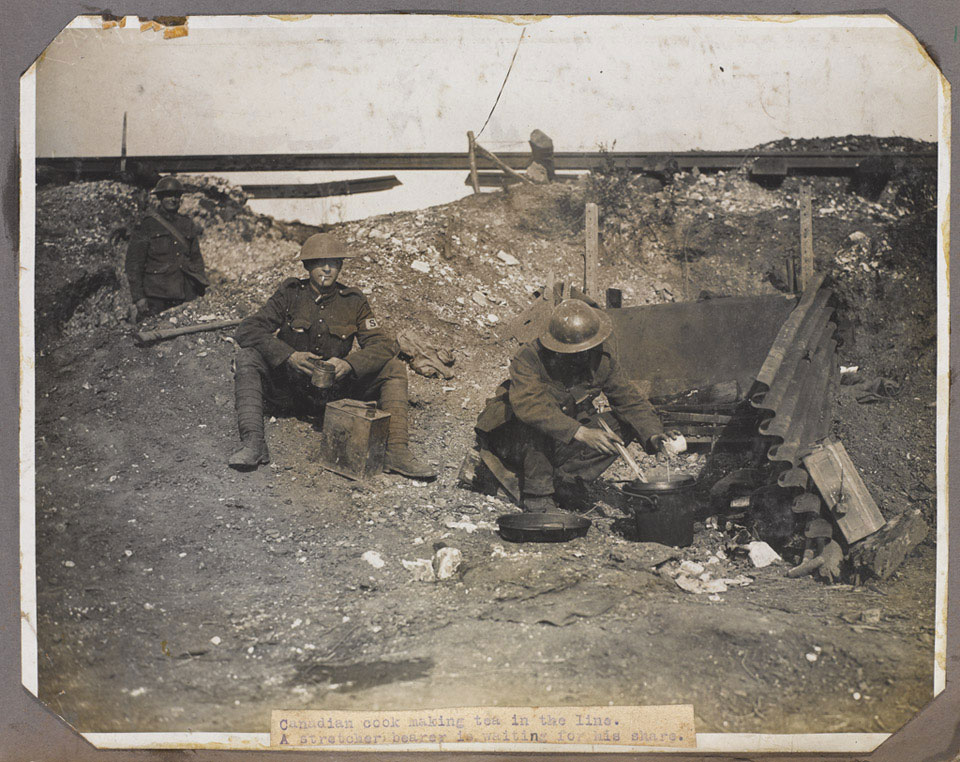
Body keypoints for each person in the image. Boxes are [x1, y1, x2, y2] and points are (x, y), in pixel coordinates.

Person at [228, 232, 436, 480]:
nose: (327, 269)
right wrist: (288, 356)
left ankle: (397, 451)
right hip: (289, 389)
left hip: (335, 396)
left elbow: (383, 344)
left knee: (394, 367)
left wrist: (349, 364)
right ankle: (253, 444)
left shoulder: (353, 301)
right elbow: (249, 329)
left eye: (334, 263)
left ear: (341, 267)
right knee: (247, 357)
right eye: (320, 262)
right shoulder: (290, 294)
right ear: (307, 266)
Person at [472, 298, 680, 512]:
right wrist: (581, 432)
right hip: (514, 439)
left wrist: (654, 436)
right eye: (576, 351)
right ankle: (538, 496)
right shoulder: (530, 358)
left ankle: (567, 483)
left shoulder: (601, 359)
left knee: (623, 424)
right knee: (539, 420)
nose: (584, 356)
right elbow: (531, 408)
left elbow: (630, 401)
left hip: (561, 435)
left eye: (589, 348)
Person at [125, 176, 209, 321]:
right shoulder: (147, 225)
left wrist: (200, 287)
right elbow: (134, 264)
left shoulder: (187, 224)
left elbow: (196, 259)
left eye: (176, 195)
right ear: (160, 198)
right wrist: (138, 297)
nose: (173, 199)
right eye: (168, 195)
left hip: (184, 294)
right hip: (156, 296)